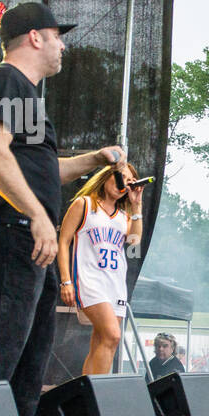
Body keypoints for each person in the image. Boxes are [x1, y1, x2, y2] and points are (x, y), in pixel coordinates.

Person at [0, 1, 124, 416]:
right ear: (35, 37)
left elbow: (47, 168)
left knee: (34, 342)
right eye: (57, 36)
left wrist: (95, 160)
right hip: (9, 226)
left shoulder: (26, 95)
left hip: (31, 233)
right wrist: (37, 215)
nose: (63, 45)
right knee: (5, 336)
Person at [57, 161, 144, 375]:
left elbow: (134, 241)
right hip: (89, 279)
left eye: (130, 182)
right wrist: (66, 280)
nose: (124, 183)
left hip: (114, 283)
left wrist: (136, 206)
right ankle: (98, 394)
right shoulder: (84, 204)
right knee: (112, 335)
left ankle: (85, 395)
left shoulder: (123, 216)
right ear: (107, 176)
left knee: (103, 342)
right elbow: (63, 241)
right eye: (121, 177)